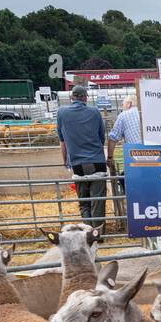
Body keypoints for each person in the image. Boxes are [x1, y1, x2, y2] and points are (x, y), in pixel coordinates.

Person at [56, 84, 108, 229]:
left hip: (77, 164)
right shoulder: (95, 112)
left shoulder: (61, 113)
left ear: (72, 97)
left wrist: (65, 161)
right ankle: (98, 233)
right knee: (97, 200)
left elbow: (62, 141)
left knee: (84, 201)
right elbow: (101, 137)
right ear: (85, 97)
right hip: (97, 161)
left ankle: (87, 232)